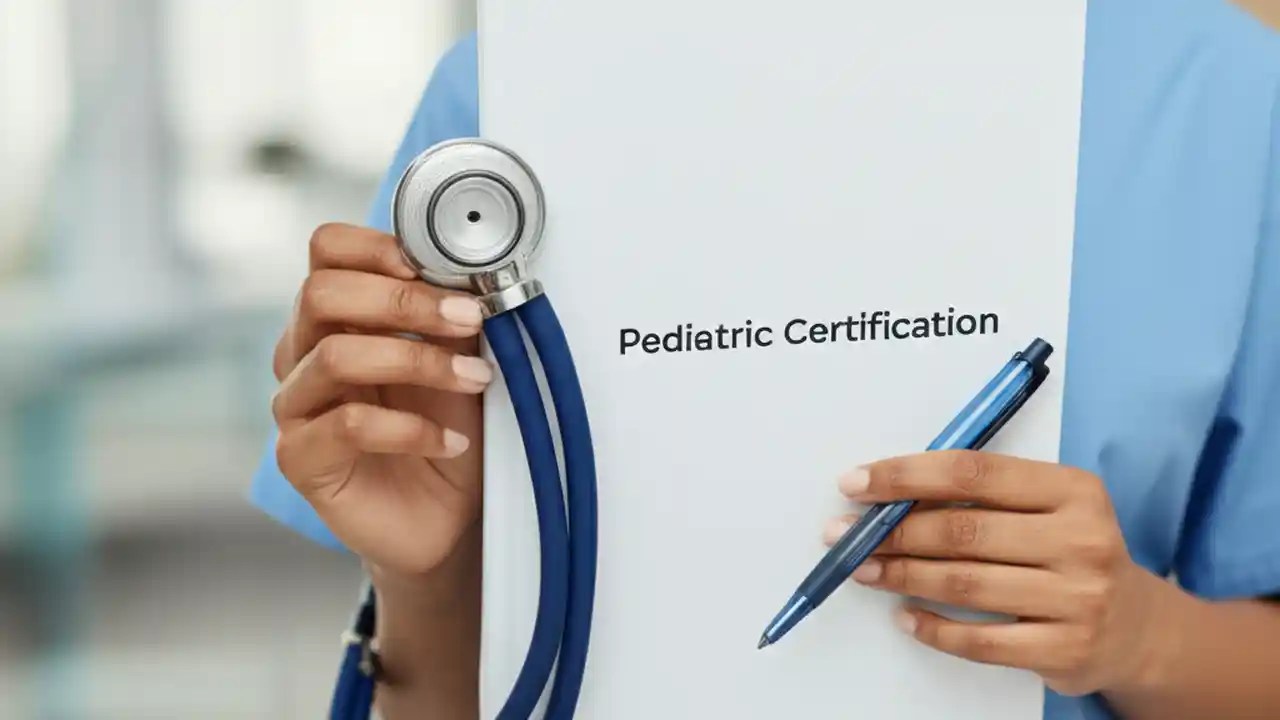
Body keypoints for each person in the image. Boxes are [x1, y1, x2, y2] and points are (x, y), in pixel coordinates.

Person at [252, 3, 1280, 719]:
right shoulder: (505, 90)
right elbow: (457, 697)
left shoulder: (1223, 93)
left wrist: (1142, 638)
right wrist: (422, 579)